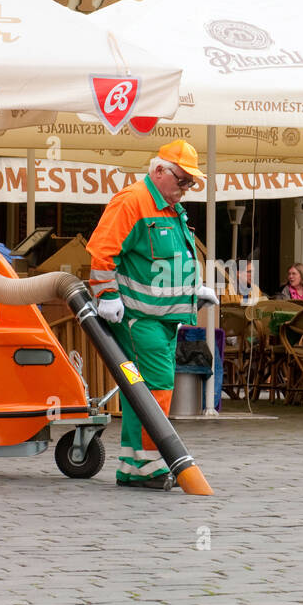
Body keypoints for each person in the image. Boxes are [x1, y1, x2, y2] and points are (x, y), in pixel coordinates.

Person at [88, 140, 218, 489]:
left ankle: (137, 467)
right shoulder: (133, 202)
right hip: (138, 318)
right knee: (156, 388)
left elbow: (164, 261)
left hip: (155, 319)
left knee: (140, 392)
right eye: (182, 180)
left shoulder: (167, 207)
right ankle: (150, 467)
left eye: (191, 182)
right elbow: (103, 253)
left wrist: (193, 292)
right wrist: (107, 296)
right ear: (159, 171)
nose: (186, 188)